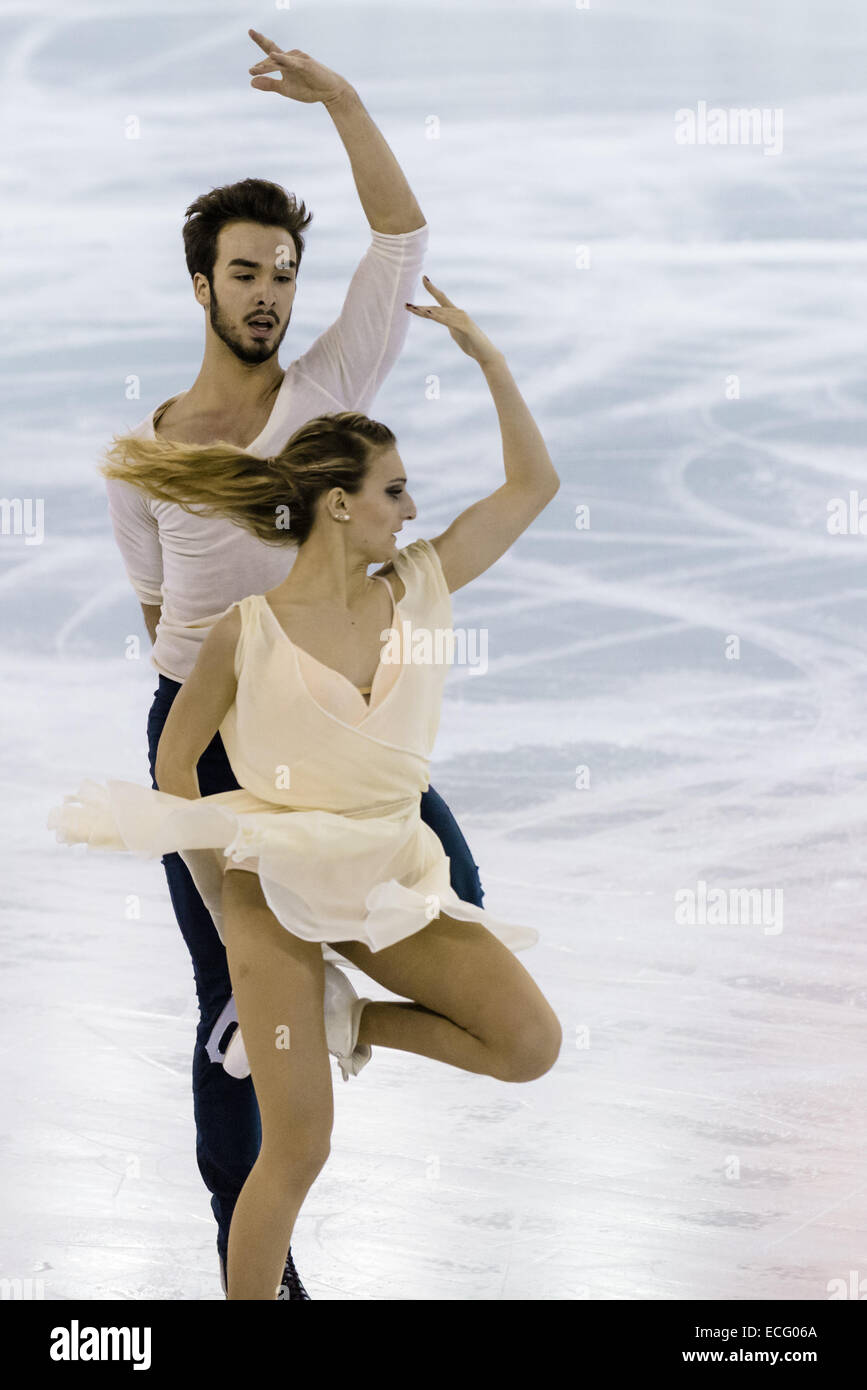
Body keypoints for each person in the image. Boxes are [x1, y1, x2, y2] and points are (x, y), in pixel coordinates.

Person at [49, 279, 562, 1300]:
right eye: (394, 489)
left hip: (385, 871)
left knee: (528, 1042)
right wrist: (228, 907)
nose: (412, 508)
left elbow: (532, 487)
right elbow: (174, 771)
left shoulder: (419, 582)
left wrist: (489, 358)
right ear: (339, 503)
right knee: (300, 1149)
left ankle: (349, 1018)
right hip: (275, 891)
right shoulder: (246, 631)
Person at [103, 30, 484, 1298]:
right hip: (211, 738)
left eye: (282, 272)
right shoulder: (143, 457)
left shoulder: (326, 392)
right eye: (244, 272)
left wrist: (346, 99)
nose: (267, 291)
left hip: (327, 727)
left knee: (458, 892)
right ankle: (259, 1271)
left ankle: (337, 1010)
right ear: (200, 287)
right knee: (235, 1025)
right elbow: (163, 614)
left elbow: (403, 243)